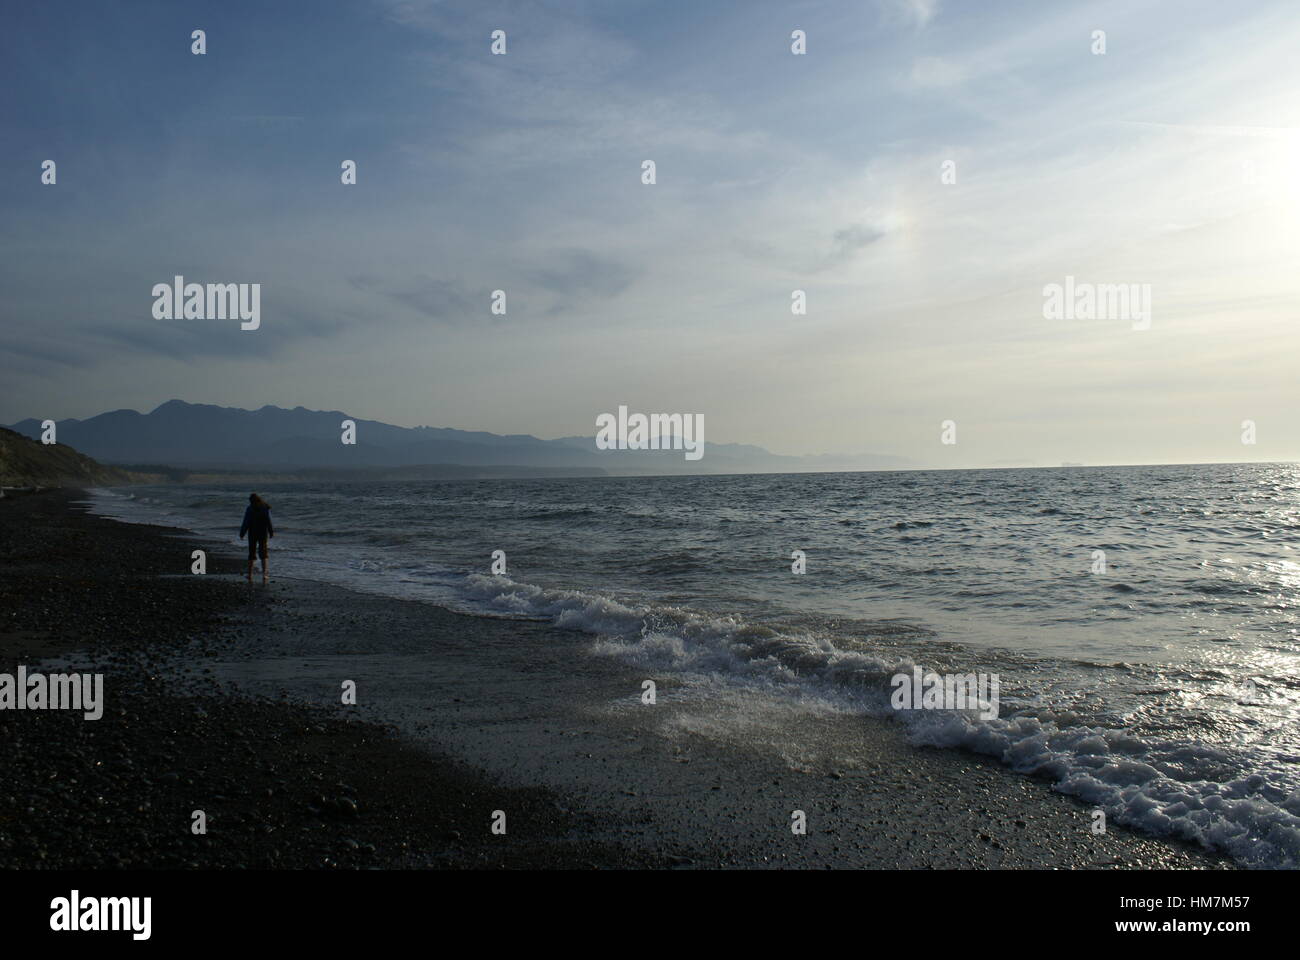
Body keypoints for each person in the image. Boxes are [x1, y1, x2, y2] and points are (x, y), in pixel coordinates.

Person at [239, 493, 274, 583]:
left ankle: (250, 574)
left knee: (252, 553)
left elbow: (246, 522)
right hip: (262, 533)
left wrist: (242, 533)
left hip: (253, 533)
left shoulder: (250, 509)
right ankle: (264, 575)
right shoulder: (265, 508)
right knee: (263, 553)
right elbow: (269, 521)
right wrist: (271, 532)